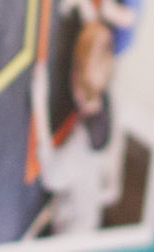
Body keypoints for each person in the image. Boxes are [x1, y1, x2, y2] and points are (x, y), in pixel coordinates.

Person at [29, 19, 123, 233]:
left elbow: (51, 177)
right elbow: (98, 54)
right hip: (87, 208)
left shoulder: (83, 142)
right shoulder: (107, 98)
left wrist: (39, 103)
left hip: (72, 230)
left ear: (76, 81)